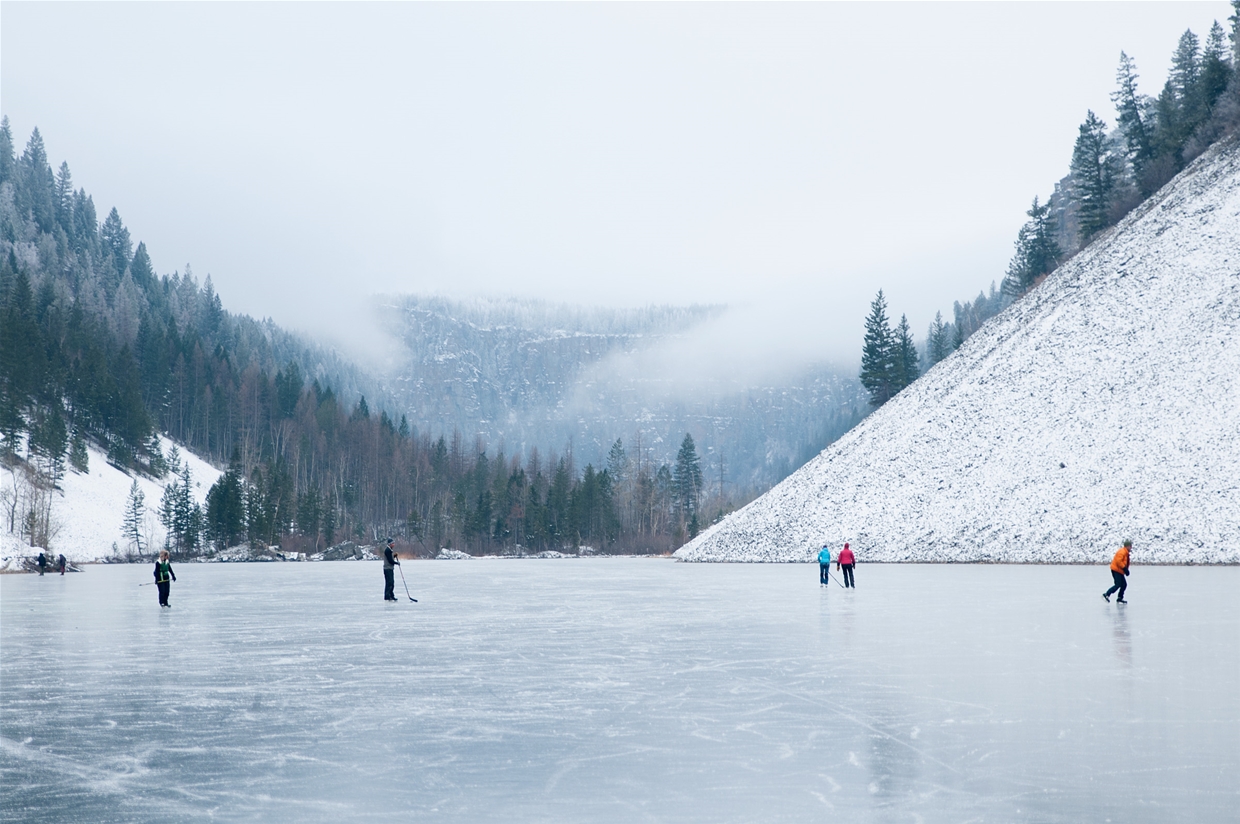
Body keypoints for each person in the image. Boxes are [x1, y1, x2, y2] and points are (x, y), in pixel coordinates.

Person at [1102, 540, 1131, 604]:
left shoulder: (1125, 552)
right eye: (1130, 546)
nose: (1131, 548)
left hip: (1119, 570)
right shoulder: (1122, 552)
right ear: (1127, 546)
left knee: (1124, 584)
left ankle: (1120, 598)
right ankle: (1106, 594)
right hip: (1116, 570)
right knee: (1118, 584)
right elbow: (1118, 561)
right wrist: (1124, 568)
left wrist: (1125, 570)